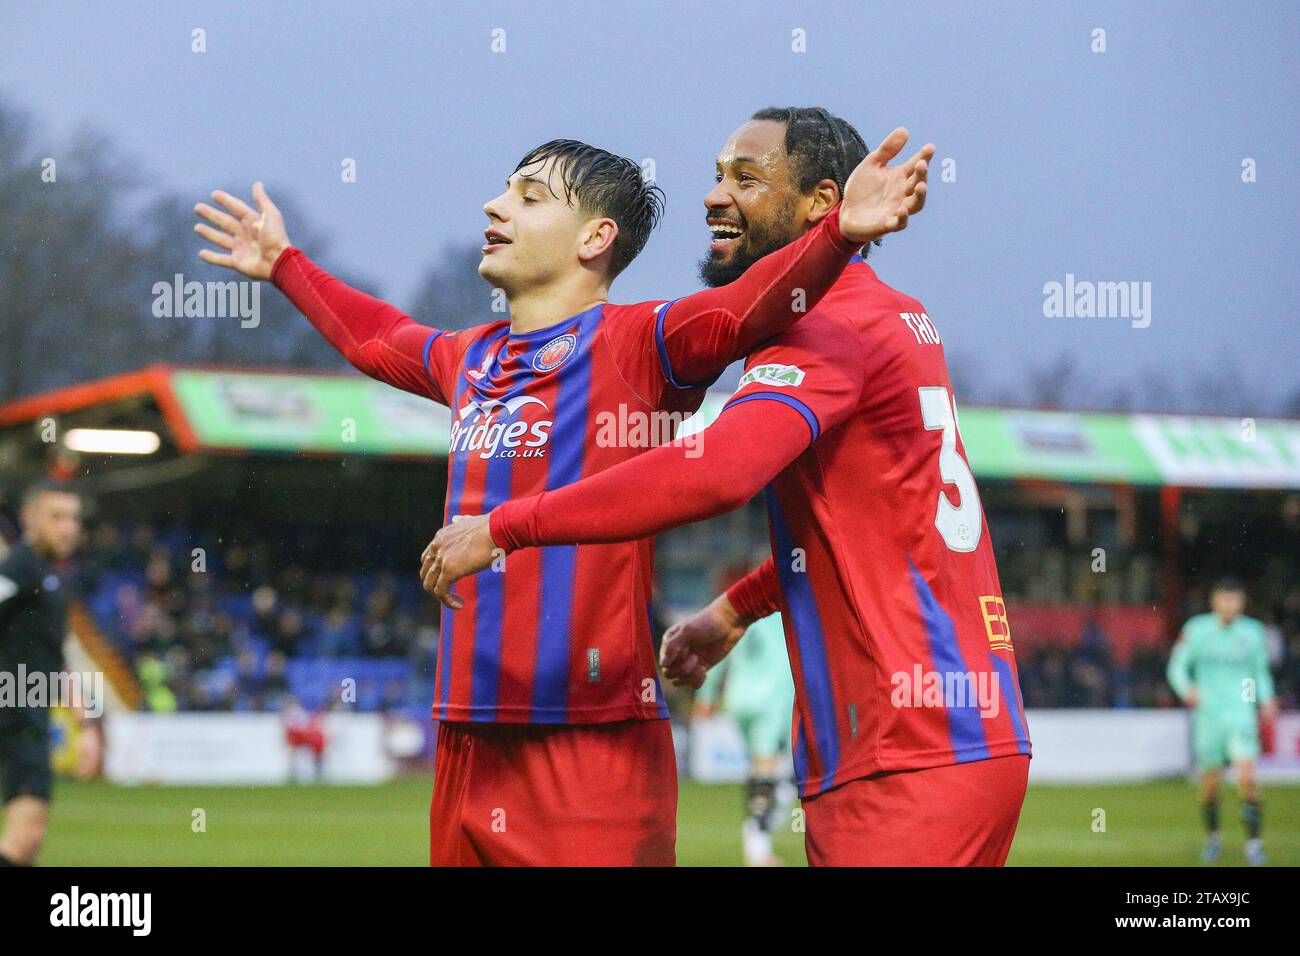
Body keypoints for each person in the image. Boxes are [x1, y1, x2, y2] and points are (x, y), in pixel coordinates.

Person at [198, 129, 930, 866]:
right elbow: (379, 337)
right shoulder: (470, 357)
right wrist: (285, 265)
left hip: (590, 742)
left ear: (596, 238)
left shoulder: (644, 343)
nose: (496, 205)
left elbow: (744, 310)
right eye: (504, 190)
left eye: (529, 196)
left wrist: (837, 234)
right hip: (466, 737)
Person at [425, 106, 1031, 866]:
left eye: (746, 179)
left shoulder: (825, 325)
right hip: (941, 733)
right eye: (716, 175)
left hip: (905, 743)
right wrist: (734, 612)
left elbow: (716, 470)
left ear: (821, 204)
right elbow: (876, 532)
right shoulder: (895, 316)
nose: (716, 195)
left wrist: (505, 526)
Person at [0, 480, 83, 866]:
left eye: (73, 518)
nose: (68, 527)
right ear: (29, 519)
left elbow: (52, 652)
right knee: (25, 835)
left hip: (28, 710)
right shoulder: (20, 568)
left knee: (28, 839)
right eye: (56, 517)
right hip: (14, 709)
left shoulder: (49, 577)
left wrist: (82, 710)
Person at [1167, 577, 1277, 865]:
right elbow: (1177, 666)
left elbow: (1259, 671)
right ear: (1215, 601)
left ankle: (1254, 844)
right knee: (1210, 787)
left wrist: (1265, 698)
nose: (1230, 605)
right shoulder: (1197, 629)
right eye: (1225, 599)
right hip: (1209, 716)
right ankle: (1213, 838)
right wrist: (1187, 689)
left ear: (1242, 602)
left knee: (1247, 780)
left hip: (1240, 713)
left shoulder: (1252, 632)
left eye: (1235, 599)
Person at [691, 563, 796, 866]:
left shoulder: (739, 616)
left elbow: (716, 655)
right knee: (769, 769)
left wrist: (706, 696)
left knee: (767, 764)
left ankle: (773, 807)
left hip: (738, 699)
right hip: (773, 697)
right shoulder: (781, 615)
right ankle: (758, 848)